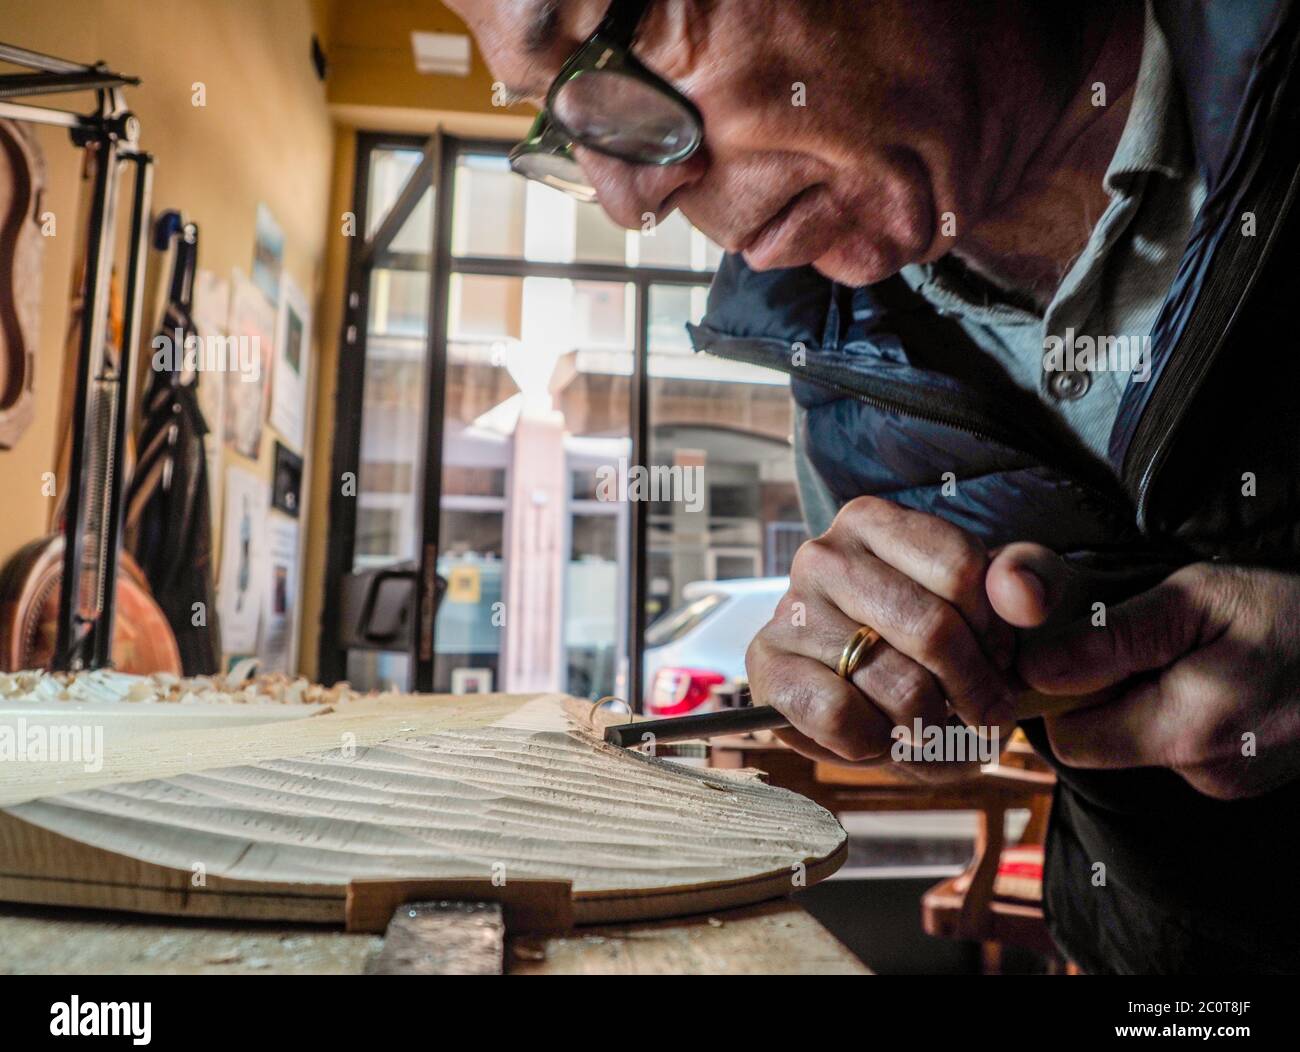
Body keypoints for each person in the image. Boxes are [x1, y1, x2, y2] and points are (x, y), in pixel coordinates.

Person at [446, 0, 1300, 974]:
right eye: (557, 121)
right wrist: (869, 693)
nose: (629, 198)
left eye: (609, 41)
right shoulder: (840, 344)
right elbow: (933, 714)